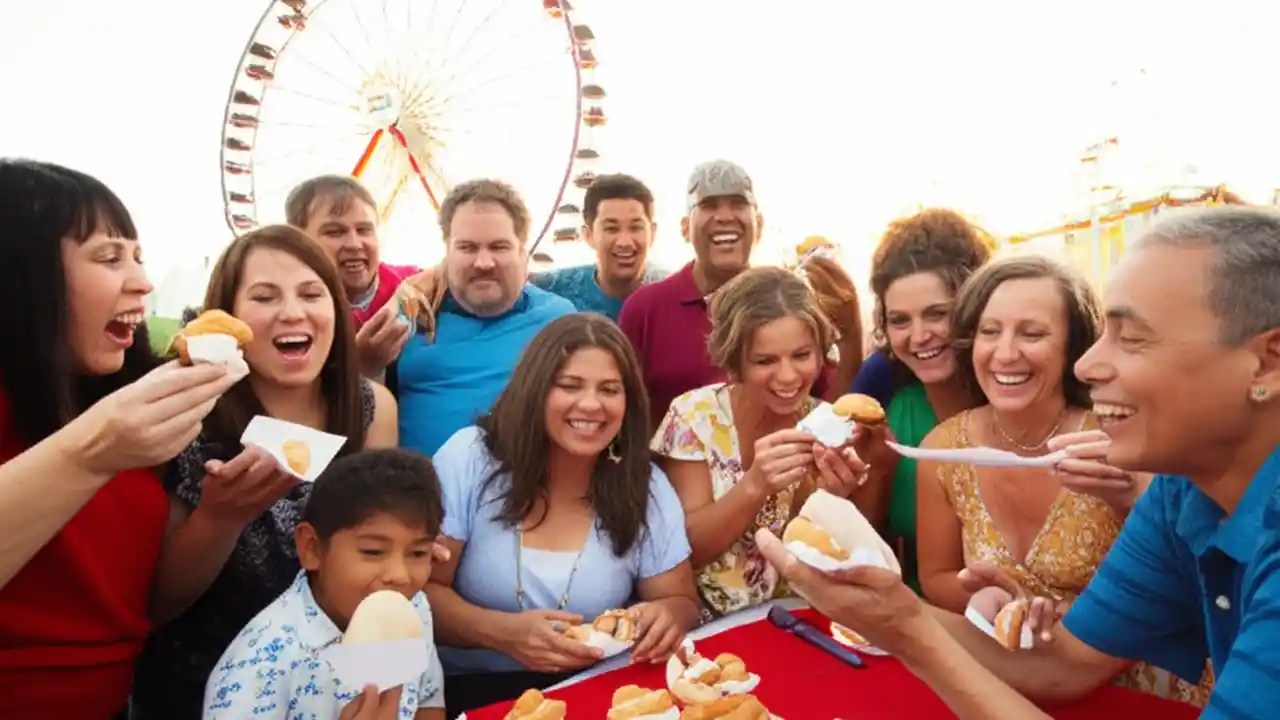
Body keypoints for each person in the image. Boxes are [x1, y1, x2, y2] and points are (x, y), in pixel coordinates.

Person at [755, 206, 1280, 718]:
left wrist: (908, 632)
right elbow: (1066, 665)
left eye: (1133, 338)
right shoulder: (1181, 492)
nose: (1089, 364)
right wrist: (897, 614)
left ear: (1267, 361)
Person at [0, 159, 240, 719]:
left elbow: (144, 606)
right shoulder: (107, 427)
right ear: (20, 275)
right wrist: (93, 453)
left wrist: (222, 516)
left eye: (138, 256)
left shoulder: (121, 403)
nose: (143, 282)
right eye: (109, 258)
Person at [132, 225, 399, 719]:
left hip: (333, 691)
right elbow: (157, 605)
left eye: (311, 293)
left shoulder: (370, 408)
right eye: (265, 296)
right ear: (226, 317)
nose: (292, 312)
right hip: (204, 691)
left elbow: (377, 557)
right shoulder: (188, 415)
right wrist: (220, 518)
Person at [915, 255, 1208, 704]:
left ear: (1075, 347)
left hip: (1138, 690)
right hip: (1010, 680)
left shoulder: (1123, 439)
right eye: (990, 331)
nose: (1006, 353)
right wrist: (990, 597)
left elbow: (1191, 576)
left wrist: (1131, 498)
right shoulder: (942, 448)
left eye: (1032, 333)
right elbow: (936, 575)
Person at [427, 314, 699, 717]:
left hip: (595, 690)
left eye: (610, 389)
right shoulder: (470, 458)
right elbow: (419, 590)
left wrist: (666, 616)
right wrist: (501, 634)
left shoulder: (645, 485)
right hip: (472, 690)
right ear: (534, 390)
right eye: (569, 385)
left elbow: (681, 600)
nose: (591, 404)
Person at [653, 268, 871, 617]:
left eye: (801, 355)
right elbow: (685, 551)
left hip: (802, 614)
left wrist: (835, 499)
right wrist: (754, 486)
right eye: (765, 360)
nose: (787, 376)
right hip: (708, 625)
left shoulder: (827, 423)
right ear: (735, 360)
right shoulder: (695, 416)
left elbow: (838, 554)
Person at [203, 449, 446, 719]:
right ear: (312, 548)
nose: (400, 575)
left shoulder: (414, 610)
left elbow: (427, 701)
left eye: (418, 553)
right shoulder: (258, 666)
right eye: (373, 551)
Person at [849, 208, 994, 591]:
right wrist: (878, 473)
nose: (918, 336)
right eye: (900, 321)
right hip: (924, 617)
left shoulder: (1017, 399)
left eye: (937, 314)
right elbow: (865, 549)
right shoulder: (892, 404)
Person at [394, 179, 574, 457]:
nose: (483, 262)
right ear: (447, 252)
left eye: (499, 247)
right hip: (417, 494)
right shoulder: (410, 312)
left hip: (522, 493)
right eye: (467, 247)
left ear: (522, 252)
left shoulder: (559, 322)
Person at [286, 174, 417, 378]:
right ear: (297, 240)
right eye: (335, 232)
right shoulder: (288, 313)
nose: (355, 244)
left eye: (364, 230)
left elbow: (446, 273)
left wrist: (410, 293)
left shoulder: (407, 281)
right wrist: (360, 365)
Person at [530, 173, 668, 320]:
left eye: (635, 228)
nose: (624, 242)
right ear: (588, 235)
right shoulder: (551, 293)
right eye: (611, 229)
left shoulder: (674, 296)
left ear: (652, 233)